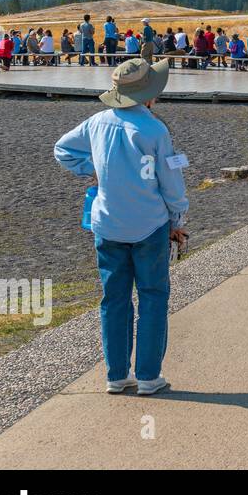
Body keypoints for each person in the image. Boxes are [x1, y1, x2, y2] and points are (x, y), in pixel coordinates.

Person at [54, 57, 188, 395]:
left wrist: (92, 168)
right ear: (148, 95)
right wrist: (178, 220)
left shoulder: (98, 122)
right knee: (153, 296)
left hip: (108, 223)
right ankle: (147, 376)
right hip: (149, 223)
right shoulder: (155, 130)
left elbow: (62, 150)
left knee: (114, 299)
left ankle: (116, 374)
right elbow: (171, 183)